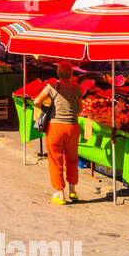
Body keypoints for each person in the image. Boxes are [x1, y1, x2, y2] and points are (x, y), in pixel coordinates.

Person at [34, 62, 83, 205]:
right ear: (72, 74)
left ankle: (60, 194)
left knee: (55, 160)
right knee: (72, 159)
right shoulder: (77, 89)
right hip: (72, 127)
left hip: (55, 127)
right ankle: (72, 190)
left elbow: (37, 101)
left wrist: (46, 106)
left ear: (58, 73)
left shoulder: (51, 87)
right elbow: (79, 109)